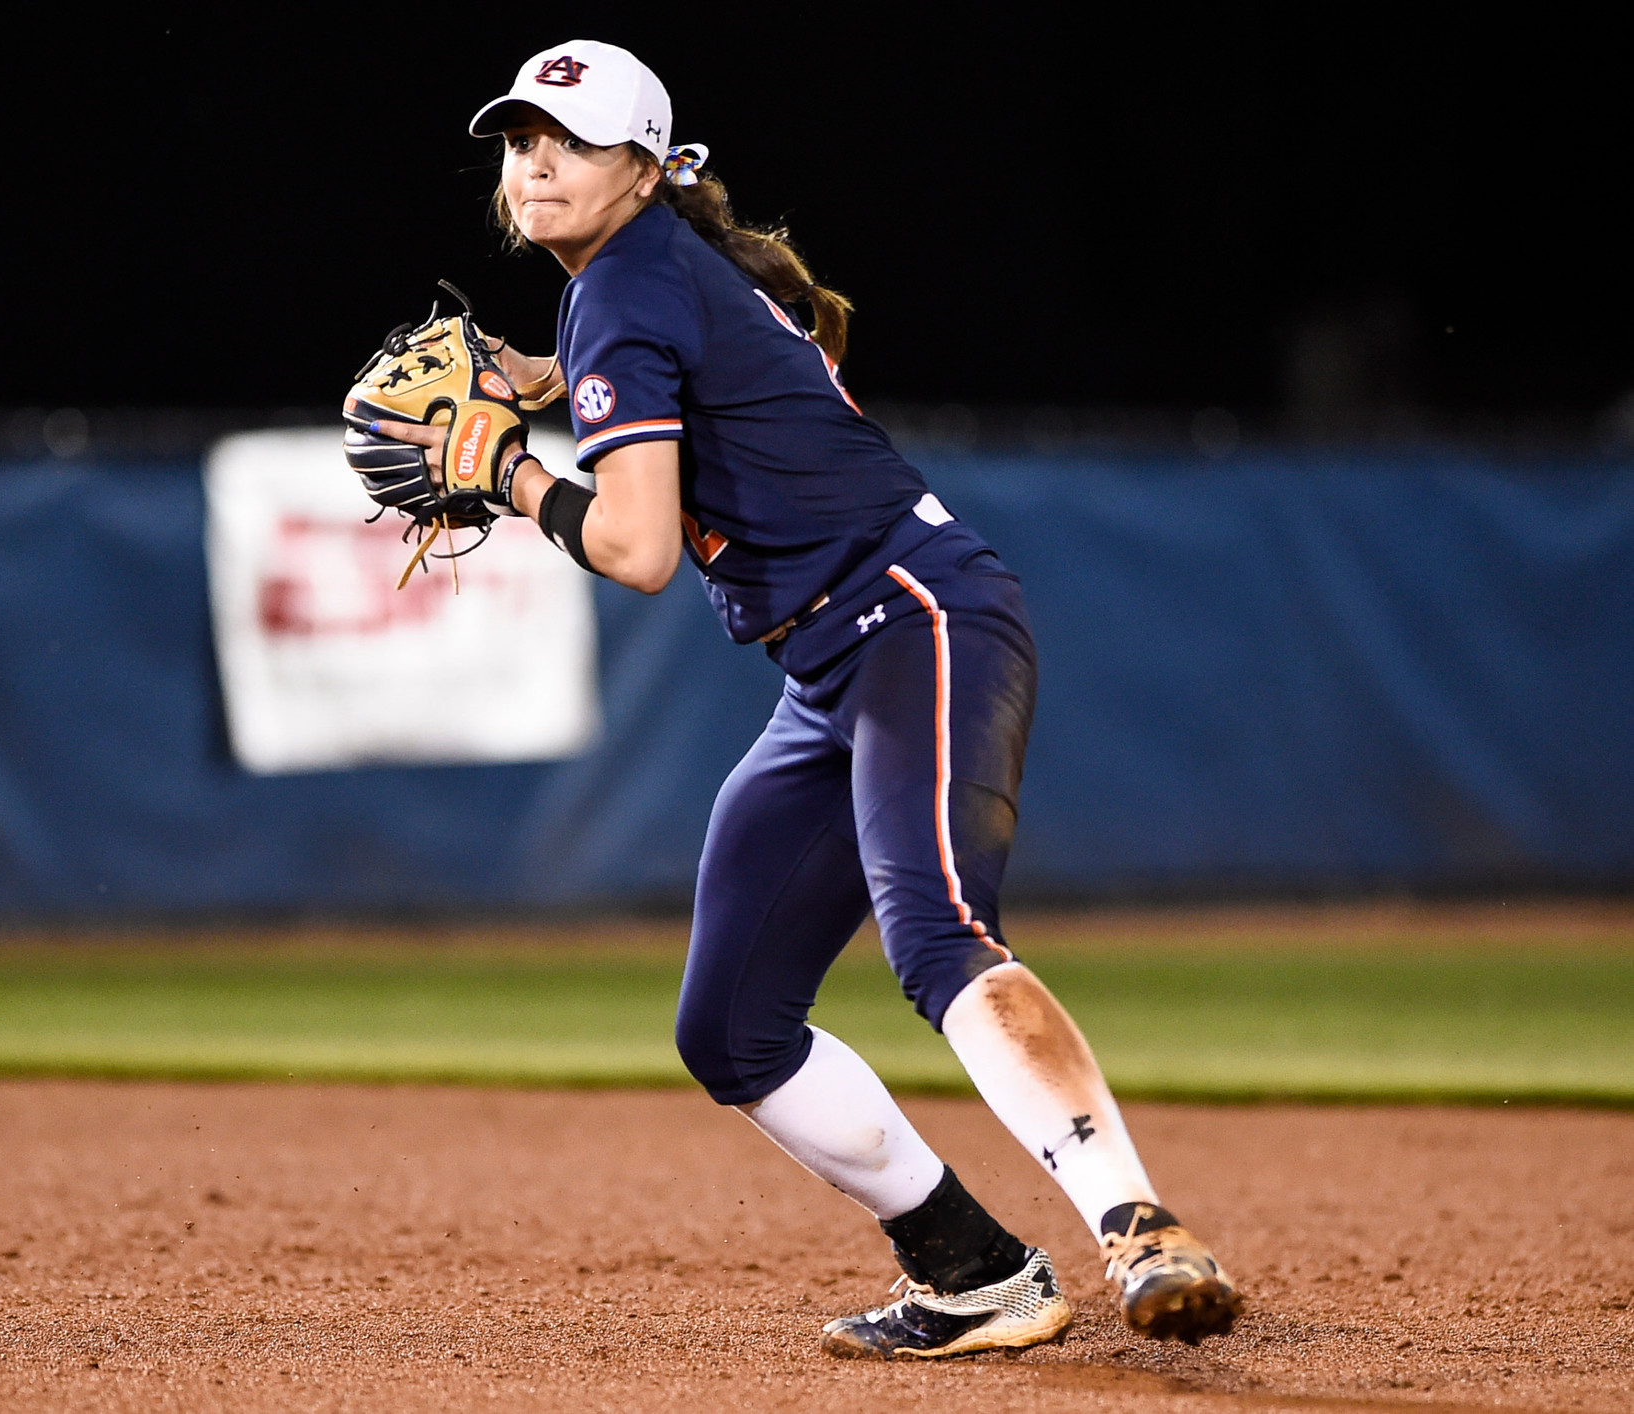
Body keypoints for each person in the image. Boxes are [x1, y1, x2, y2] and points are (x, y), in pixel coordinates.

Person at [372, 39, 1244, 1360]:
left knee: (938, 933)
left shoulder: (623, 283)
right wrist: (551, 396)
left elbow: (640, 549)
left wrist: (507, 467)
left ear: (648, 168)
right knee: (728, 1023)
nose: (535, 161)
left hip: (916, 613)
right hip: (831, 662)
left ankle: (1139, 1224)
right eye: (517, 139)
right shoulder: (631, 284)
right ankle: (976, 1271)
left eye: (572, 137)